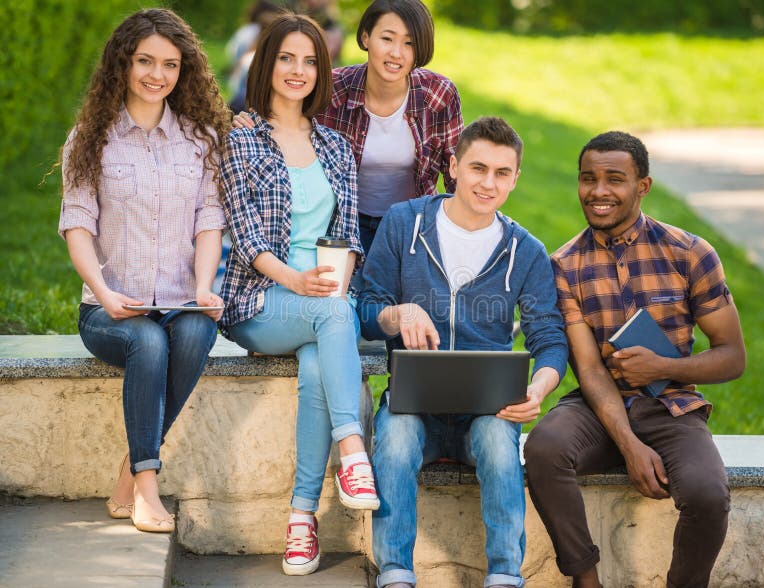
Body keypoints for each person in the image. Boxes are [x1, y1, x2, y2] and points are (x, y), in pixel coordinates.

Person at [524, 131, 746, 588]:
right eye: (588, 179)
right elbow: (587, 368)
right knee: (544, 448)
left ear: (642, 186)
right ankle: (586, 579)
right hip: (597, 404)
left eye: (614, 179)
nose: (598, 191)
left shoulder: (690, 253)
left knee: (707, 494)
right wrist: (629, 445)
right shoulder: (563, 265)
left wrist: (664, 368)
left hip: (671, 405)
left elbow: (732, 357)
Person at [357, 116, 569, 588]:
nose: (487, 183)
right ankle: (394, 572)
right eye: (477, 168)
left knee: (499, 441)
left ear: (516, 179)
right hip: (414, 404)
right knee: (393, 441)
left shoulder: (526, 252)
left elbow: (550, 341)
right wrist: (400, 315)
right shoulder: (403, 224)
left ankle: (504, 575)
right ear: (453, 166)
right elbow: (368, 307)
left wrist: (537, 388)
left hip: (486, 411)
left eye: (501, 173)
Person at [218, 13, 378, 577]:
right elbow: (244, 236)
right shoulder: (241, 137)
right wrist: (297, 281)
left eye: (309, 60)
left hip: (323, 306)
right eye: (286, 57)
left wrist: (335, 274)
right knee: (334, 317)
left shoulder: (335, 146)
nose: (298, 70)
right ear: (267, 63)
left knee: (320, 362)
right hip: (261, 299)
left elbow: (351, 234)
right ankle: (353, 451)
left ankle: (301, 521)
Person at [57, 9, 229, 533]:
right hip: (109, 311)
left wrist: (202, 287)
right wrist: (105, 292)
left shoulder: (201, 141)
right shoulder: (91, 138)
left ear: (185, 71)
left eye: (170, 65)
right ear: (123, 64)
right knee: (147, 344)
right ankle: (147, 491)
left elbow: (208, 222)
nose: (157, 75)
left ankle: (129, 473)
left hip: (178, 300)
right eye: (145, 62)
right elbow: (77, 226)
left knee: (199, 329)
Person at [234, 0, 463, 254]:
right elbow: (285, 113)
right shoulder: (332, 89)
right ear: (365, 37)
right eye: (387, 39)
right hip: (343, 227)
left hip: (412, 225)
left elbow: (456, 176)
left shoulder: (438, 95)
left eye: (409, 43)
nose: (396, 53)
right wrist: (253, 122)